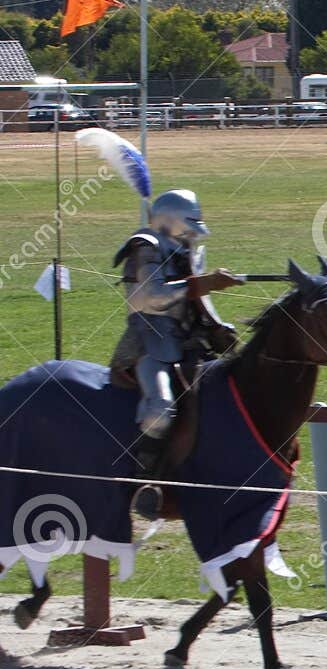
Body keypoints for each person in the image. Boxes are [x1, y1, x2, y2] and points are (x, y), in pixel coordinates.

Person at [111, 189, 243, 519]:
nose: (195, 230)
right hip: (150, 342)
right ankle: (144, 484)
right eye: (190, 222)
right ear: (173, 220)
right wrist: (205, 283)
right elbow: (151, 297)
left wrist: (218, 327)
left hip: (189, 341)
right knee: (160, 409)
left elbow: (198, 300)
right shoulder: (146, 245)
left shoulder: (185, 249)